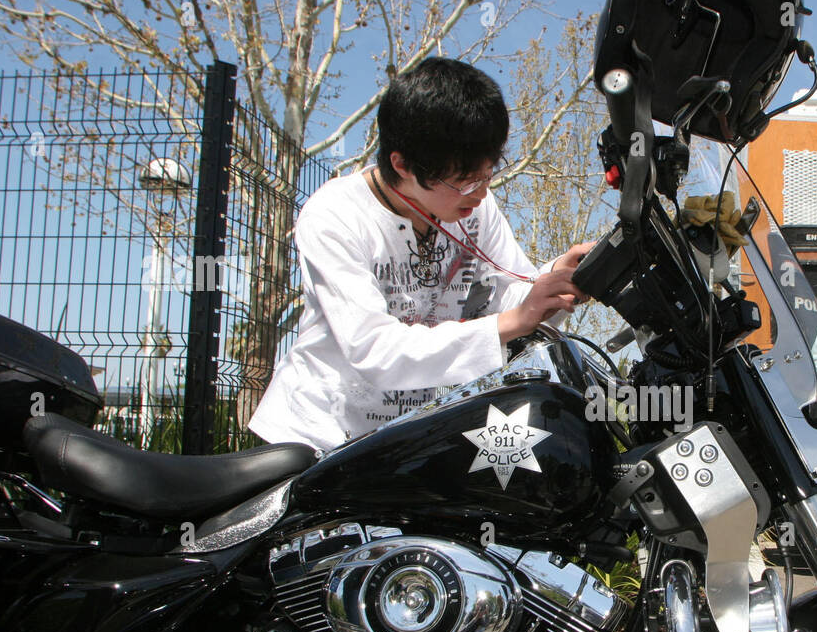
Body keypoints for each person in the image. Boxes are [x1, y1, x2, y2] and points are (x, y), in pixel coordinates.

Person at [249, 58, 591, 451]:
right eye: (464, 179)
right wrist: (513, 319)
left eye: (489, 172)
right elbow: (374, 349)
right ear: (403, 164)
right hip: (314, 438)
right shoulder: (334, 215)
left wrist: (556, 281)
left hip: (400, 440)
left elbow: (515, 298)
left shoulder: (476, 207)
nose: (480, 192)